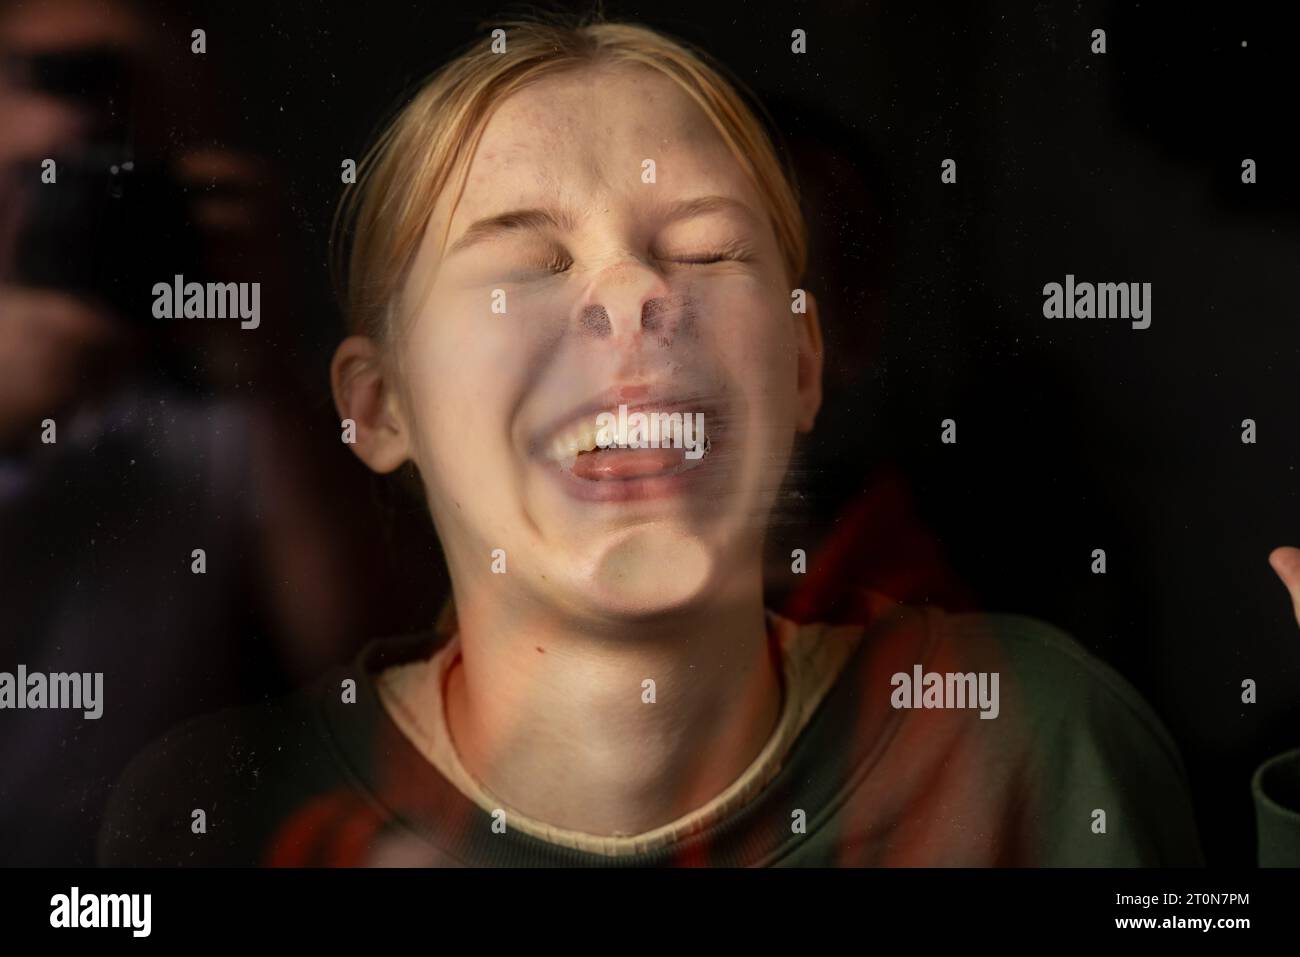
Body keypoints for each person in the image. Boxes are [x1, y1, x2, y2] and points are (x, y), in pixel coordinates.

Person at [97, 14, 1300, 867]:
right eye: (526, 260)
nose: (630, 295)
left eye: (710, 250)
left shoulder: (1035, 742)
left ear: (804, 365)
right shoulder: (215, 814)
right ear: (374, 408)